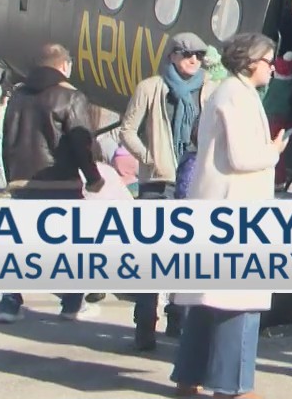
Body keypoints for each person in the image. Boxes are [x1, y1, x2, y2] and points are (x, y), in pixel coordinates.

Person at [169, 34, 284, 399]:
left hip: (218, 207)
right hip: (235, 213)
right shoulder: (237, 96)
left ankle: (189, 376)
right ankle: (232, 386)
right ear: (250, 62)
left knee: (205, 305)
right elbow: (242, 157)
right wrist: (274, 151)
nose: (273, 68)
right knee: (239, 305)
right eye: (268, 62)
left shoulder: (227, 92)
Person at [0, 43, 104, 324]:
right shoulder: (71, 96)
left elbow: (7, 139)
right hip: (61, 183)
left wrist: (11, 177)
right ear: (65, 65)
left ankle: (9, 304)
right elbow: (81, 142)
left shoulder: (18, 96)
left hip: (22, 182)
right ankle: (72, 304)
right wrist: (93, 177)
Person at [120, 32, 215, 350]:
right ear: (172, 56)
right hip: (157, 184)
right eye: (187, 54)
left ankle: (178, 320)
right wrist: (149, 157)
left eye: (199, 55)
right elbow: (127, 130)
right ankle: (145, 325)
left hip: (194, 181)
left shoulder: (209, 89)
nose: (194, 60)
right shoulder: (151, 87)